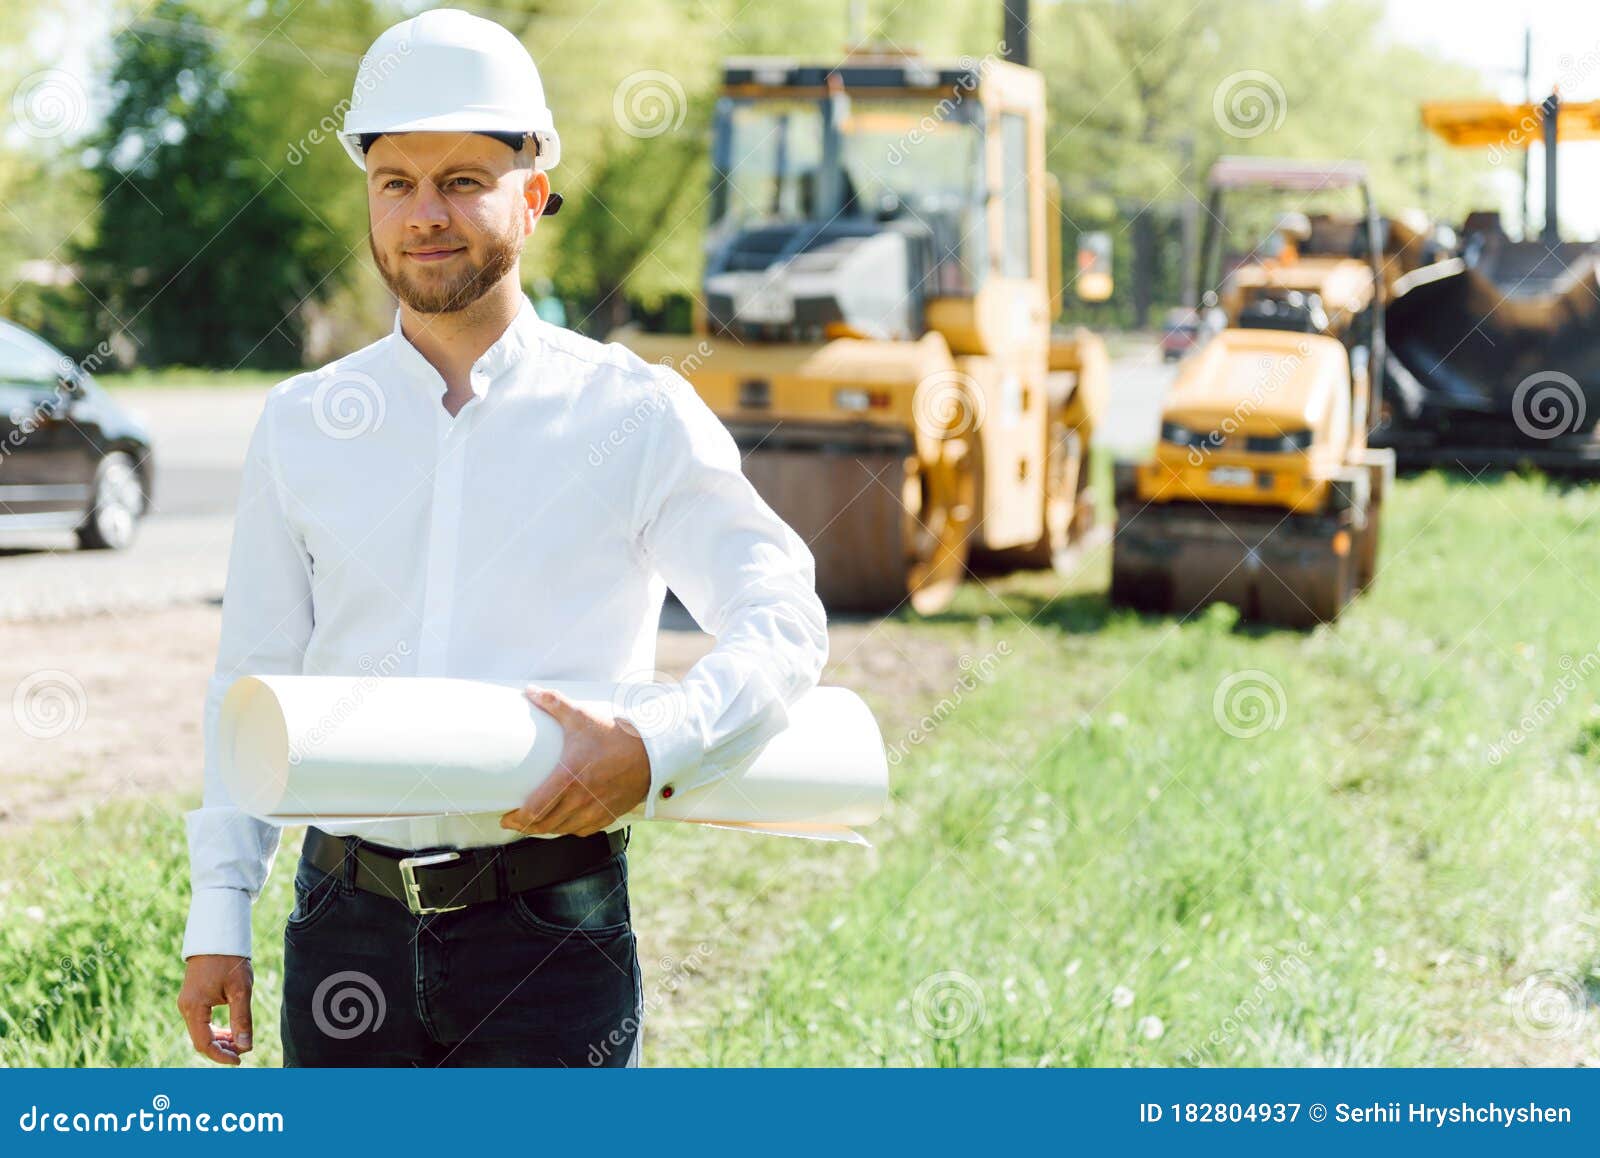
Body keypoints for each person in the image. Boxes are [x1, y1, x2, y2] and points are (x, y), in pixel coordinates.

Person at [174, 8, 828, 1068]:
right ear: (368, 199)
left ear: (531, 195)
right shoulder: (302, 421)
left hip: (548, 931)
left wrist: (656, 747)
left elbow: (782, 617)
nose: (425, 214)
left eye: (463, 180)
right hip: (344, 925)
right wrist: (219, 919)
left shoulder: (633, 412)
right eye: (396, 182)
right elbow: (248, 676)